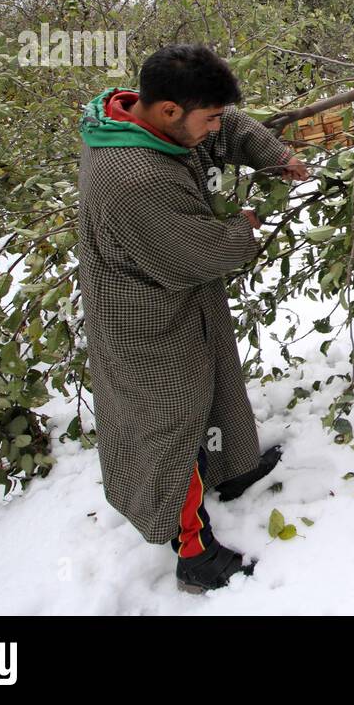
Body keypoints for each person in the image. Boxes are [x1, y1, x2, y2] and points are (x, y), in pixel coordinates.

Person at [76, 43, 310, 593]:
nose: (215, 128)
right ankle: (193, 551)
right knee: (171, 417)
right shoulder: (131, 174)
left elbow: (231, 128)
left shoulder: (159, 122)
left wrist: (275, 155)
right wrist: (246, 228)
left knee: (214, 382)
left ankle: (230, 469)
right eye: (208, 118)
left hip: (180, 295)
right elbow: (198, 252)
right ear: (168, 112)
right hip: (143, 316)